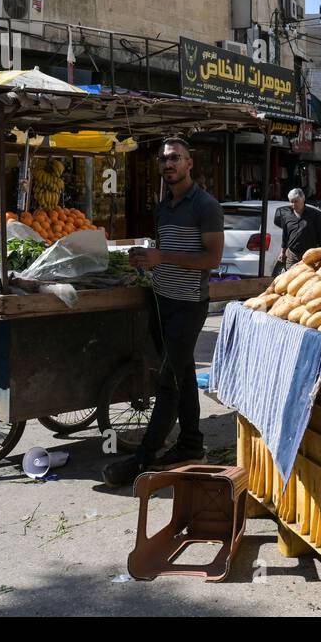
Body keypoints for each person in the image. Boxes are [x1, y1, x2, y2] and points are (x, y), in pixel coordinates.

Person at [103, 137, 225, 487]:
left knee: (168, 381)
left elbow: (212, 260)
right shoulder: (163, 207)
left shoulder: (205, 206)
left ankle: (142, 459)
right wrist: (145, 259)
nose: (168, 164)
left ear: (190, 164)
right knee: (184, 375)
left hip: (189, 305)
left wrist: (162, 258)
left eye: (175, 158)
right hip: (161, 301)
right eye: (163, 159)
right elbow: (164, 251)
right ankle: (190, 444)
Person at [273, 188, 321, 274]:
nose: (293, 204)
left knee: (308, 280)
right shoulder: (287, 215)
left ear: (303, 199)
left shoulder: (314, 214)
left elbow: (320, 235)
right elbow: (285, 235)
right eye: (291, 201)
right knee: (291, 280)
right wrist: (282, 252)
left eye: (296, 201)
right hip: (292, 255)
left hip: (310, 255)